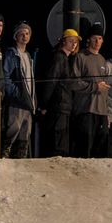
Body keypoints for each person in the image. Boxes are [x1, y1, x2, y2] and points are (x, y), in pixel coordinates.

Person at [71, 26, 111, 158]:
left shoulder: (103, 60)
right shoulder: (81, 57)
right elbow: (74, 83)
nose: (97, 41)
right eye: (95, 38)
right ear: (89, 40)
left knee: (99, 149)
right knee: (84, 150)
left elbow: (105, 89)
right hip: (85, 110)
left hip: (101, 112)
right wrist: (95, 87)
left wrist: (107, 113)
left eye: (100, 38)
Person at [40, 28, 80, 157]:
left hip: (64, 107)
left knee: (62, 144)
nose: (74, 44)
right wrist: (44, 105)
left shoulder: (67, 59)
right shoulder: (59, 58)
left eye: (75, 41)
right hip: (58, 107)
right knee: (57, 145)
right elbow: (51, 82)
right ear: (63, 42)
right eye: (70, 41)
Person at [0, 22, 37, 158]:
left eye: (27, 33)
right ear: (16, 36)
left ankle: (20, 169)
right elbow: (5, 76)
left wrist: (33, 101)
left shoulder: (28, 55)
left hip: (27, 104)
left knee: (24, 140)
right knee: (11, 135)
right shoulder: (11, 53)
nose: (24, 36)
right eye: (21, 33)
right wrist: (16, 93)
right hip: (16, 103)